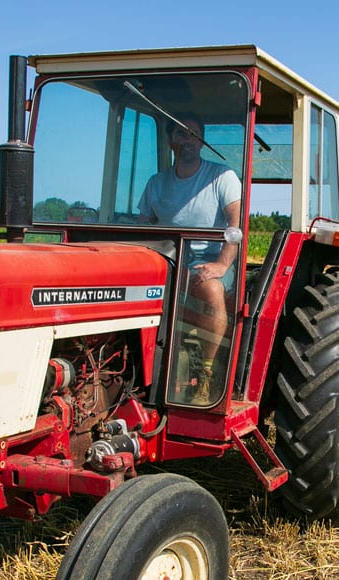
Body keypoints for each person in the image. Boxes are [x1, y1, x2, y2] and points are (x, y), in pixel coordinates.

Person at [137, 114, 242, 403]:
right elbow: (143, 226)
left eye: (194, 134)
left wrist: (222, 265)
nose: (188, 140)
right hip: (170, 260)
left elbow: (234, 225)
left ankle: (206, 377)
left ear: (202, 141)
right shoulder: (157, 183)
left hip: (210, 259)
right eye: (182, 134)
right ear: (171, 141)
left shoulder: (222, 177)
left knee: (210, 288)